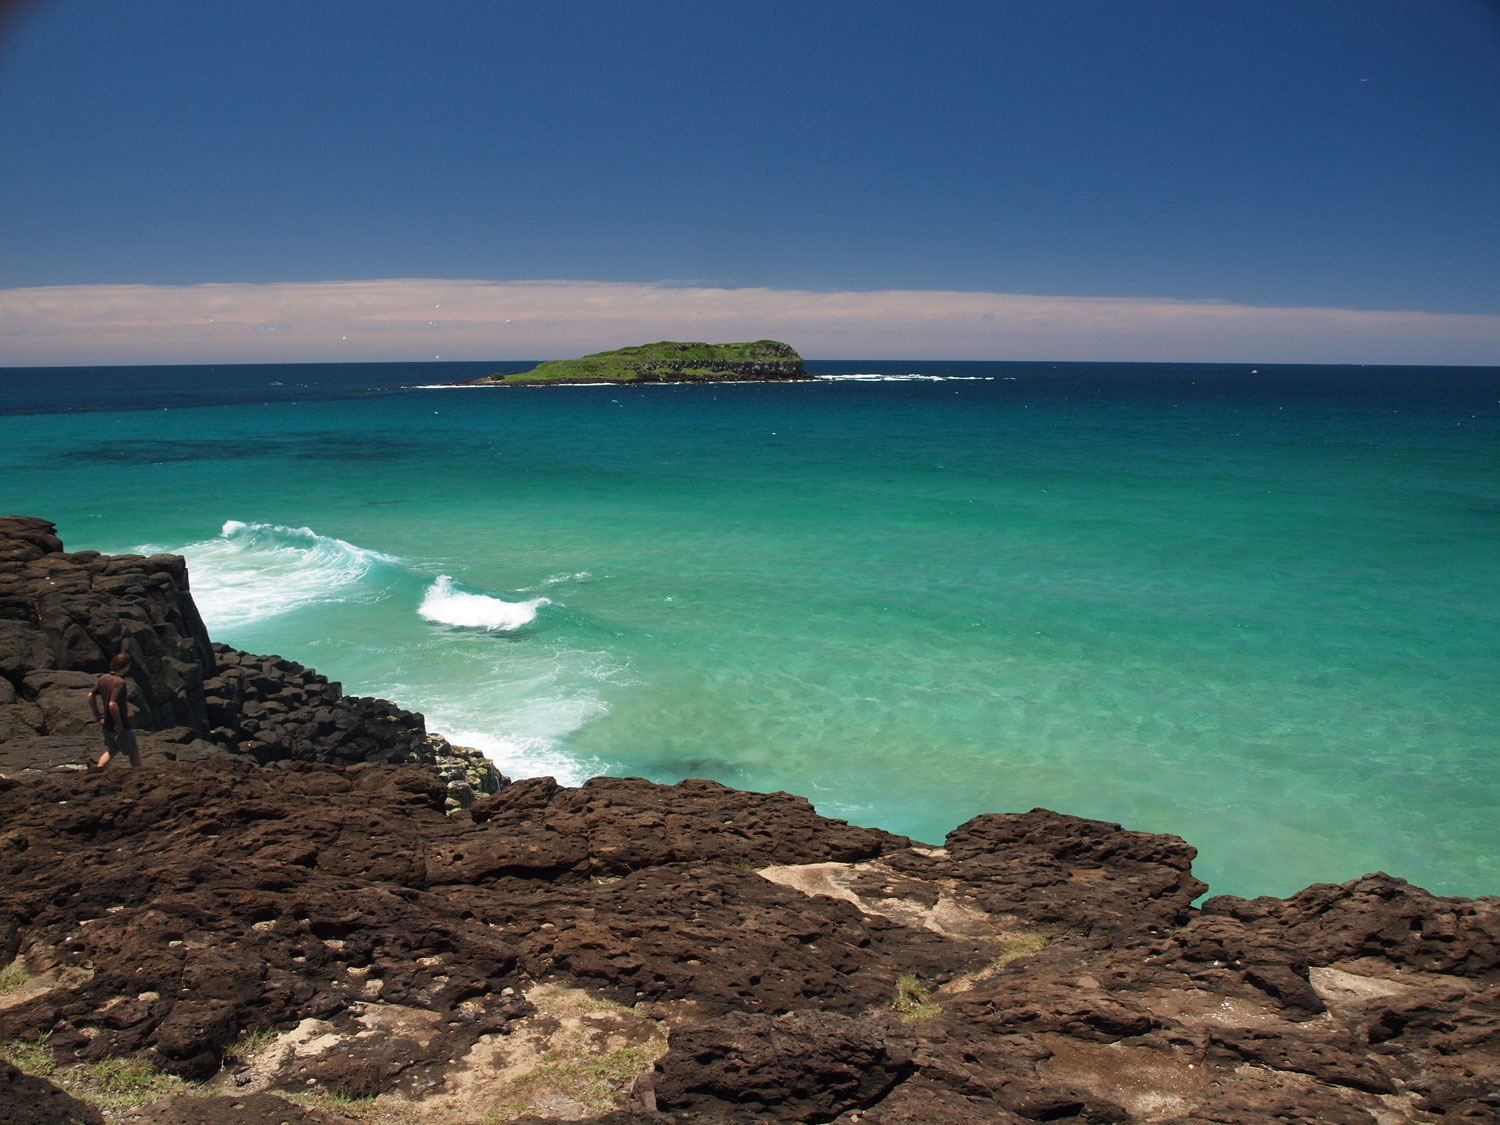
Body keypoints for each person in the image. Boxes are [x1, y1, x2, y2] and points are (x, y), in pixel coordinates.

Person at [89, 652, 141, 769]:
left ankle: (99, 771)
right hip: (120, 725)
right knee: (133, 752)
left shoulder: (103, 678)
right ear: (125, 666)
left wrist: (97, 715)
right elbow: (113, 704)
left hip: (106, 724)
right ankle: (141, 775)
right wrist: (119, 724)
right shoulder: (119, 683)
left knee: (112, 749)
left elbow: (90, 695)